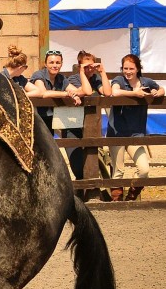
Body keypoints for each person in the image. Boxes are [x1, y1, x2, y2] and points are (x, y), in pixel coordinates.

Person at [108, 53, 164, 201]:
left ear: (138, 69)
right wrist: (135, 93)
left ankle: (132, 195)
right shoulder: (119, 80)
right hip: (117, 133)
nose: (128, 71)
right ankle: (116, 202)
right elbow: (114, 91)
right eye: (125, 68)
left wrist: (157, 92)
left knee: (144, 169)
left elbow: (161, 89)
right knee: (118, 171)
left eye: (131, 68)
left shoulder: (146, 81)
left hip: (136, 133)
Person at [67, 51, 112, 180]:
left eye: (92, 66)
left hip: (92, 124)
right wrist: (82, 72)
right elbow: (86, 91)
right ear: (79, 66)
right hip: (75, 123)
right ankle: (81, 189)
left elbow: (107, 93)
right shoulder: (73, 79)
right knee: (77, 162)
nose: (90, 69)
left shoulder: (96, 78)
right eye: (86, 66)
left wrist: (102, 72)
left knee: (96, 159)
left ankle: (94, 192)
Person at [25, 48, 83, 134]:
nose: (55, 65)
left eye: (58, 63)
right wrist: (67, 94)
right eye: (51, 62)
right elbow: (43, 93)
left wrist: (75, 94)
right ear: (45, 64)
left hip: (53, 117)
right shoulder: (39, 75)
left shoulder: (61, 78)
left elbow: (79, 91)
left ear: (61, 64)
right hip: (36, 119)